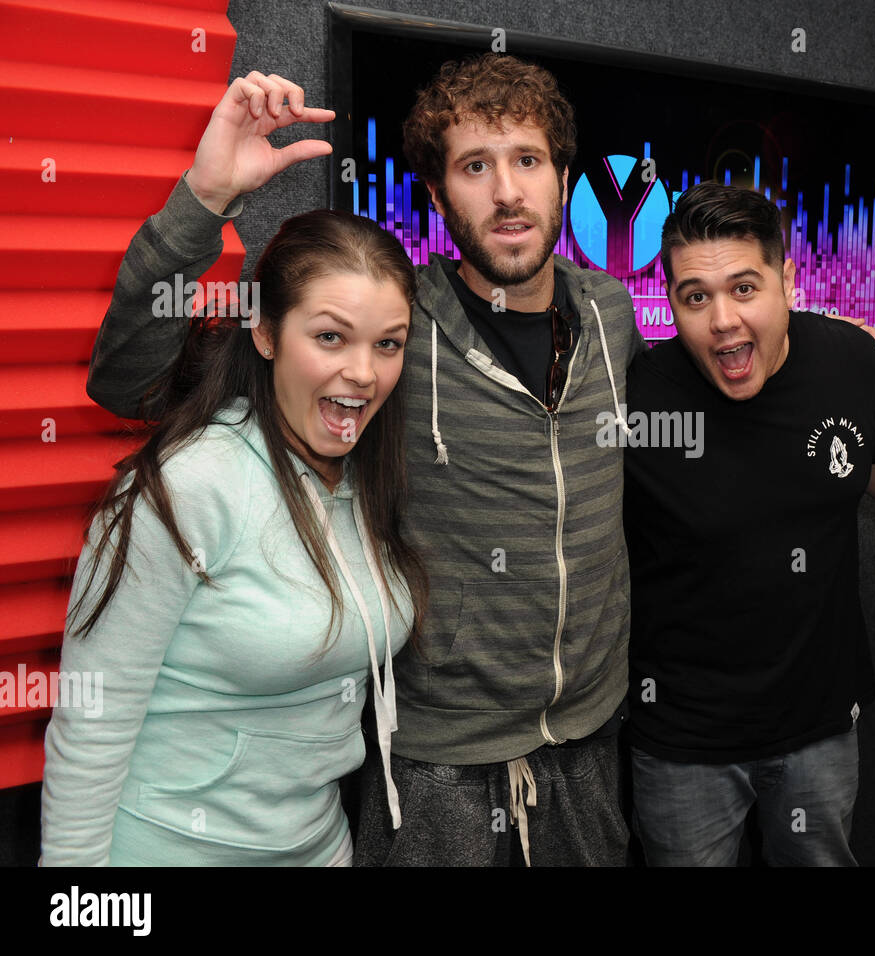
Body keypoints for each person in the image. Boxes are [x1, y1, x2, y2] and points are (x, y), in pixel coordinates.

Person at [82, 57, 640, 867]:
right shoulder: (390, 327)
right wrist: (204, 201)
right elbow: (127, 380)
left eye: (528, 160)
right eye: (474, 167)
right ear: (438, 194)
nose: (508, 192)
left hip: (592, 743)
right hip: (438, 761)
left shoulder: (611, 314)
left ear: (564, 177)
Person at [41, 208, 427, 866]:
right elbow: (92, 719)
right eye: (331, 338)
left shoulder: (370, 476)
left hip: (318, 847)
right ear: (267, 332)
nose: (365, 372)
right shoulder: (190, 484)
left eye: (387, 344)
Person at [621, 182, 875, 865]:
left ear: (788, 281)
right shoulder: (639, 395)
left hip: (819, 727)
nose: (721, 320)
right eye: (695, 296)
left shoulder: (852, 359)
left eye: (745, 288)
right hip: (682, 739)